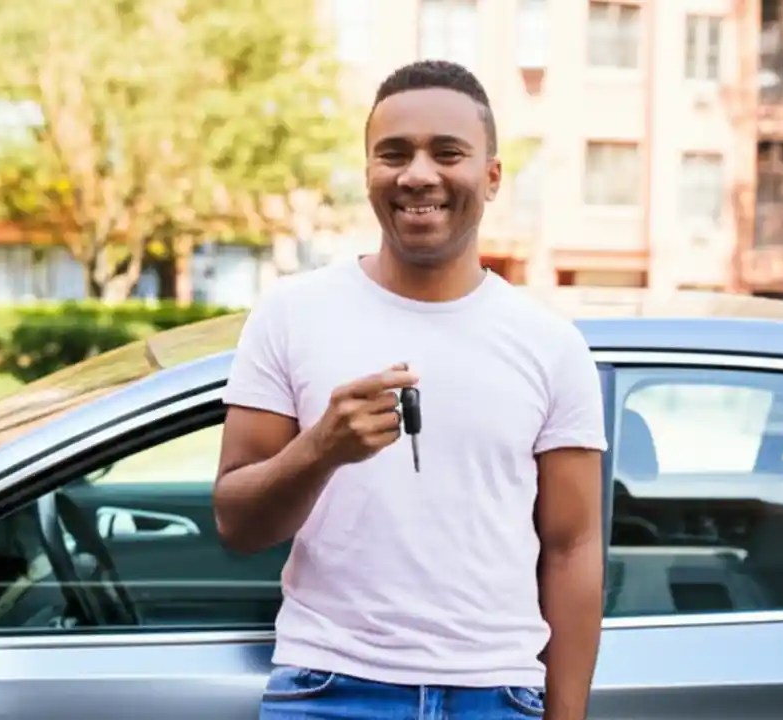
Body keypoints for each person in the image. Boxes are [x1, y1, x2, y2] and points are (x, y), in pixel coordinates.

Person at [213, 60, 608, 720]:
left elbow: (571, 548)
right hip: (327, 689)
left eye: (447, 153)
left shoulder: (550, 344)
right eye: (393, 154)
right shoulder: (290, 314)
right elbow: (237, 523)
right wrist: (321, 450)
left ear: (491, 176)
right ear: (368, 172)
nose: (418, 174)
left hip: (496, 694)